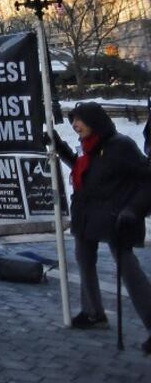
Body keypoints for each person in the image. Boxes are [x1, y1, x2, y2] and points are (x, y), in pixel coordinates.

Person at [55, 102, 151, 352]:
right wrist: (60, 148)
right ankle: (93, 312)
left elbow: (147, 179)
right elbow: (86, 172)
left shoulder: (121, 146)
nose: (75, 125)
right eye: (73, 120)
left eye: (79, 120)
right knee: (84, 260)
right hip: (87, 215)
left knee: (129, 271)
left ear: (95, 122)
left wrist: (134, 209)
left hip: (115, 218)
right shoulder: (89, 147)